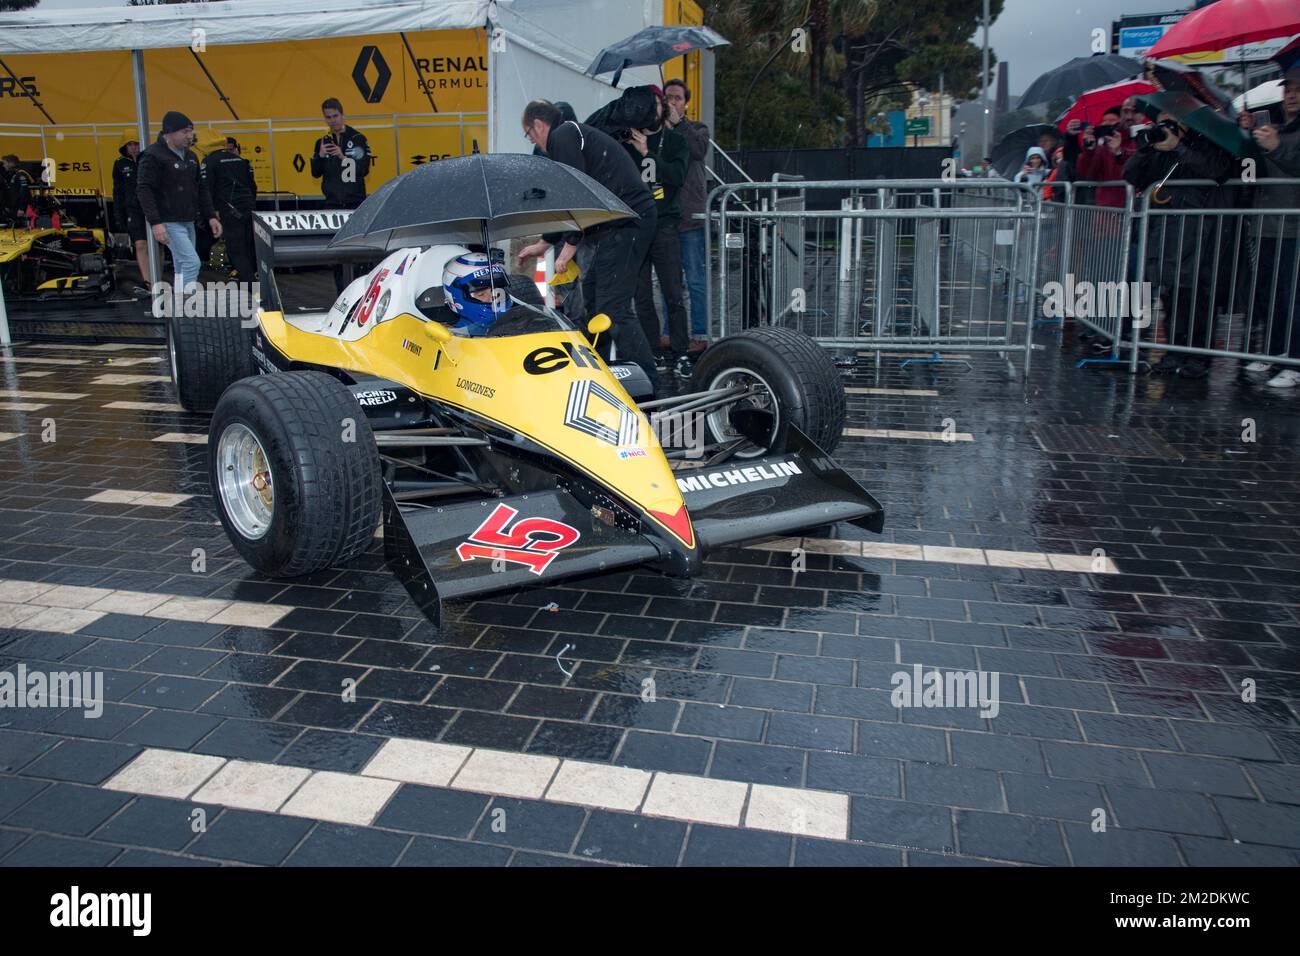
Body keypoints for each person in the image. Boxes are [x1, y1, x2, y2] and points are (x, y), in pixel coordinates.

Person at [517, 100, 659, 389]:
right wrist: (546, 242)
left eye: (529, 135)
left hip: (630, 220)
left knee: (613, 307)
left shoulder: (563, 135)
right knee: (594, 298)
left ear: (539, 125)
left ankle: (648, 382)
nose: (533, 142)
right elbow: (573, 202)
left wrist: (570, 245)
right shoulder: (570, 135)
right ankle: (600, 372)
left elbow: (577, 194)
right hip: (617, 224)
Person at [1123, 113, 1234, 378]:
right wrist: (1148, 146)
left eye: (1172, 121)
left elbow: (1217, 170)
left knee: (1198, 296)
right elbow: (1131, 175)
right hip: (1169, 228)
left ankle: (1197, 356)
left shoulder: (1209, 142)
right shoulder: (1163, 148)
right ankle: (1173, 351)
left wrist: (1179, 147)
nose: (1167, 126)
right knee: (1172, 293)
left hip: (1201, 230)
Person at [624, 87, 691, 376]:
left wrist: (648, 152)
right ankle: (651, 349)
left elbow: (677, 177)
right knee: (641, 296)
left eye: (655, 107)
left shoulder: (676, 141)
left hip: (664, 224)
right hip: (637, 225)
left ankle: (680, 351)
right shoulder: (627, 142)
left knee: (672, 292)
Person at [1245, 66, 1300, 388]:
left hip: (1293, 226)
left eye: (1298, 89)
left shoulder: (1282, 137)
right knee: (1269, 295)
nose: (1291, 95)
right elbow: (1251, 174)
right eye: (1288, 89)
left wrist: (1276, 146)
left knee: (1293, 297)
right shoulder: (1274, 129)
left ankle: (1293, 359)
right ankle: (1274, 351)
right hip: (1264, 224)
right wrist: (1247, 140)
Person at [135, 111, 221, 292]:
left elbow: (201, 188)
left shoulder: (191, 156)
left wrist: (211, 216)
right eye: (184, 132)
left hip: (188, 220)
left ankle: (180, 308)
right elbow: (144, 189)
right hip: (168, 221)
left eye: (190, 131)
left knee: (182, 265)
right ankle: (185, 305)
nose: (189, 136)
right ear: (169, 132)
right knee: (191, 263)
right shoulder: (153, 155)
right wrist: (156, 223)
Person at [664, 78, 711, 349]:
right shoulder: (658, 132)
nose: (672, 102)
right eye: (668, 97)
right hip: (667, 218)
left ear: (686, 103)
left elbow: (698, 149)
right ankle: (671, 333)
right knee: (671, 282)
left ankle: (700, 334)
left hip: (691, 218)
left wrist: (678, 123)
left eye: (677, 98)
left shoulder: (697, 129)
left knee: (695, 279)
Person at [311, 98, 372, 292]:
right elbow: (315, 172)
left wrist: (342, 156)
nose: (332, 121)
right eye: (328, 117)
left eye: (335, 116)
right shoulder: (321, 141)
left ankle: (361, 291)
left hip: (354, 203)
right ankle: (341, 293)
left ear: (342, 114)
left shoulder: (358, 138)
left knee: (358, 252)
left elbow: (362, 170)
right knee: (337, 254)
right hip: (332, 204)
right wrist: (320, 155)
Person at [202, 136, 258, 281]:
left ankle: (250, 284)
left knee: (236, 249)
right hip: (249, 207)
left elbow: (206, 188)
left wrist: (212, 211)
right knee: (249, 245)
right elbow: (252, 186)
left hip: (230, 210)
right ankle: (252, 277)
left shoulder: (209, 161)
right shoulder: (240, 160)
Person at [111, 140, 151, 294]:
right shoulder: (120, 164)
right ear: (125, 147)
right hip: (133, 210)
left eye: (136, 144)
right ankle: (148, 282)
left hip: (152, 208)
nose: (134, 148)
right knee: (140, 244)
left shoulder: (149, 159)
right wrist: (118, 215)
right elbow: (117, 191)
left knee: (158, 245)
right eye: (130, 145)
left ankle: (157, 277)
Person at [441, 248, 511, 336]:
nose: (492, 298)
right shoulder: (451, 335)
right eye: (481, 294)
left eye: (497, 290)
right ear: (454, 297)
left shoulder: (516, 321)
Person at [1, 154, 34, 224]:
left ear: (11, 163)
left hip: (20, 210)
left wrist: (21, 208)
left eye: (5, 163)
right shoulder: (14, 175)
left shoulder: (21, 174)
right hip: (14, 209)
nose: (3, 165)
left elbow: (24, 192)